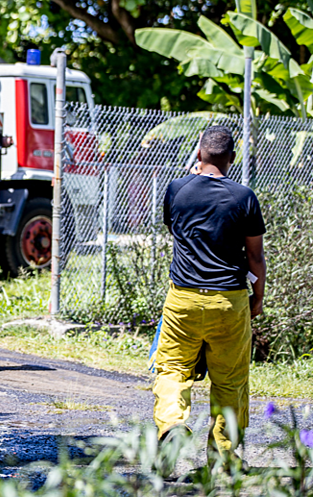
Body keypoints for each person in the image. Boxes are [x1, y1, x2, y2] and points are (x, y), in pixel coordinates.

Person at [153, 126, 266, 466]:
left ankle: (172, 425)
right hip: (228, 301)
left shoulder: (177, 189)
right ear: (232, 158)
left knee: (172, 369)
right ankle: (223, 457)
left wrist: (192, 179)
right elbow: (255, 257)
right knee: (230, 381)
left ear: (199, 153)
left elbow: (175, 229)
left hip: (183, 299)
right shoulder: (244, 197)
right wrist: (257, 298)